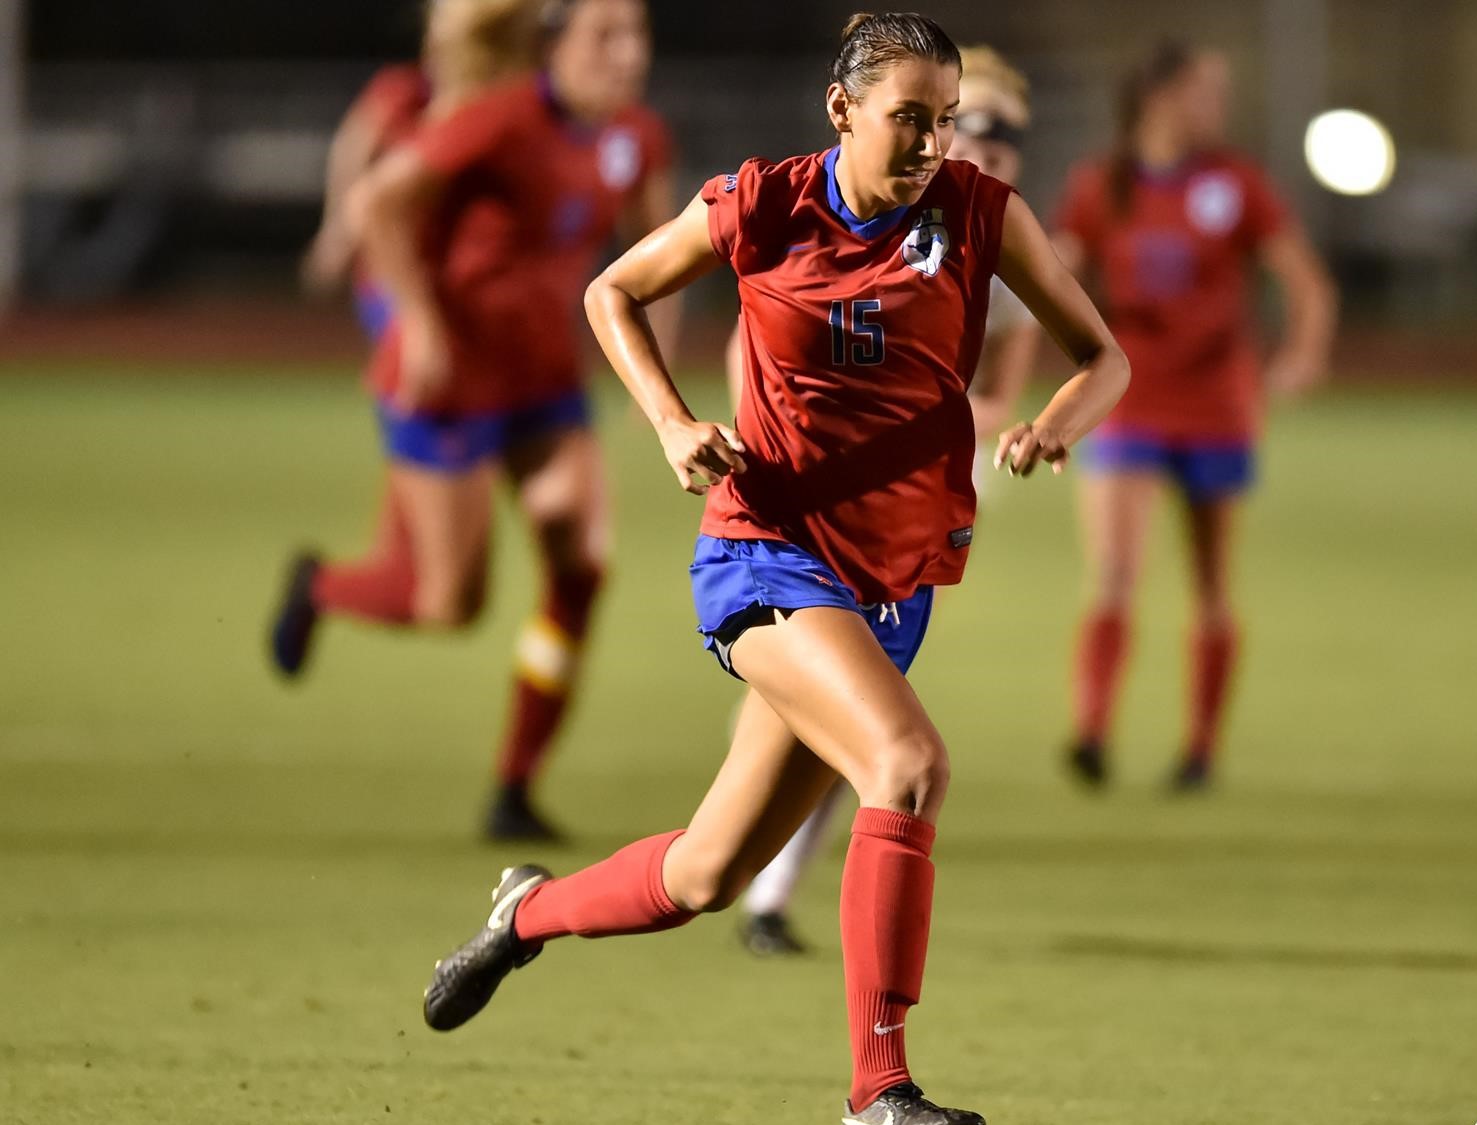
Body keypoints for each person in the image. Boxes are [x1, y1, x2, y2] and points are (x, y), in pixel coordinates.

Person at [417, 14, 1128, 1125]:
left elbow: (1105, 356)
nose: (933, 142)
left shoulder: (981, 215)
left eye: (944, 120)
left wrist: (1053, 423)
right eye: (909, 118)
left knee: (707, 875)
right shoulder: (762, 203)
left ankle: (526, 915)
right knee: (906, 764)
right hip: (766, 552)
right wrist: (666, 422)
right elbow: (613, 291)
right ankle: (878, 1091)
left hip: (893, 582)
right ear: (840, 111)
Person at [268, 0, 677, 842]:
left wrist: (656, 373)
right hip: (447, 382)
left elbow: (661, 247)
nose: (629, 54)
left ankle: (514, 788)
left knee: (581, 565)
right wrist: (415, 321)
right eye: (607, 35)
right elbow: (378, 202)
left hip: (544, 386)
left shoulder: (634, 136)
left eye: (637, 34)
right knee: (446, 601)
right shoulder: (500, 118)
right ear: (551, 44)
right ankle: (320, 586)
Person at [734, 42, 1043, 959]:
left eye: (988, 126)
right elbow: (763, 334)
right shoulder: (840, 211)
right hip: (811, 501)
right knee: (860, 723)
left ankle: (755, 880)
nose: (967, 140)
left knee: (866, 723)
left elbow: (996, 398)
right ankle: (766, 888)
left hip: (915, 506)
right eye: (953, 119)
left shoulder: (992, 233)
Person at [1054, 41, 1336, 792]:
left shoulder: (1236, 184)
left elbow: (1306, 281)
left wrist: (1302, 354)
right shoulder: (1101, 186)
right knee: (1114, 571)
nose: (1219, 105)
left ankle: (1201, 749)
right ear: (1162, 97)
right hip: (1129, 400)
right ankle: (1091, 732)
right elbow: (1050, 275)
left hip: (1217, 406)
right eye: (1207, 90)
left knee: (1211, 583)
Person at [299, 0, 543, 330]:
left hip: (465, 273)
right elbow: (355, 160)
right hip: (400, 266)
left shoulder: (507, 107)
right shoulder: (406, 92)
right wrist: (337, 231)